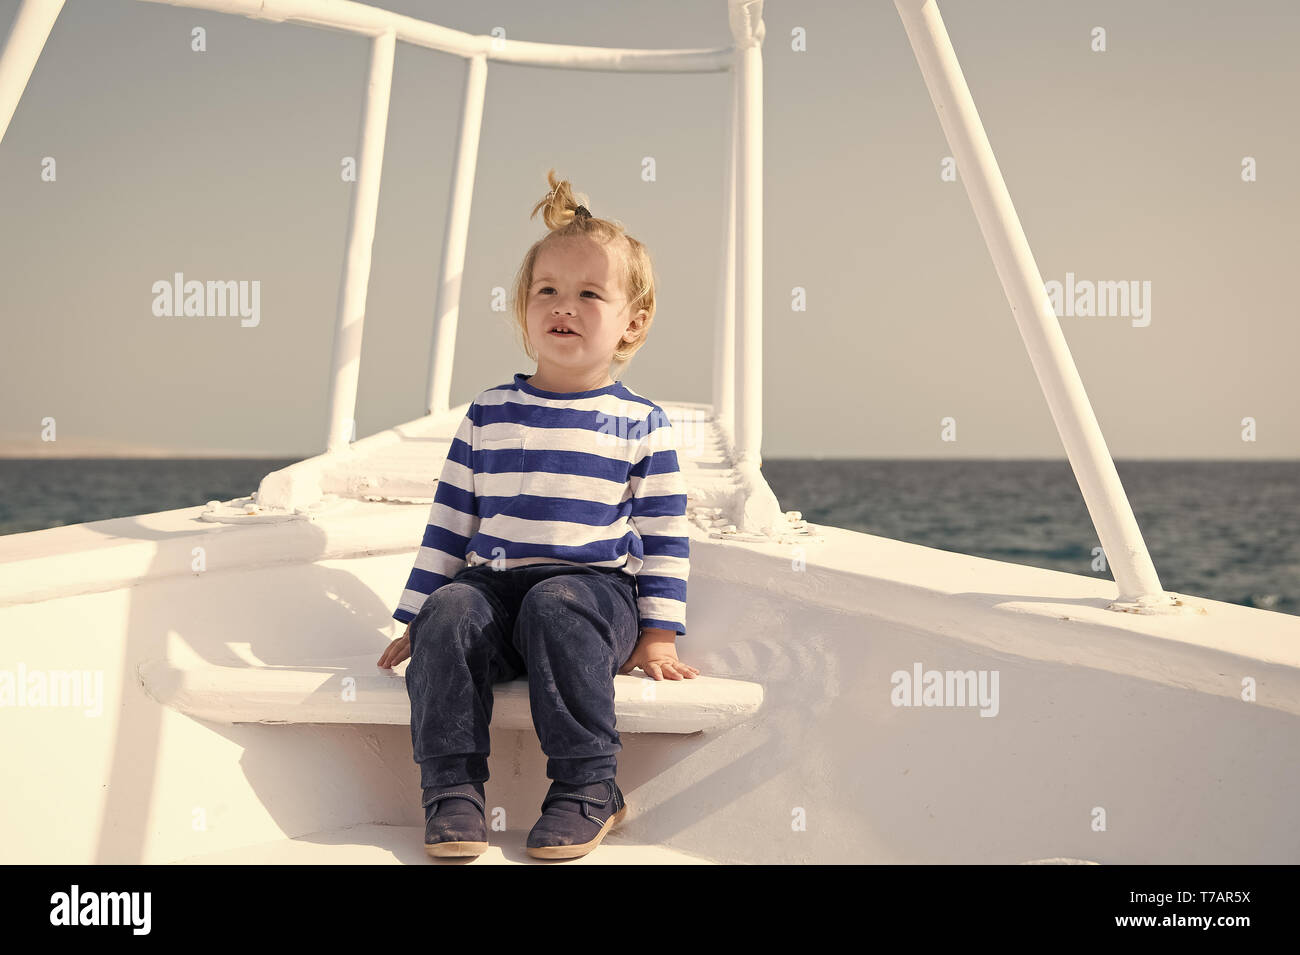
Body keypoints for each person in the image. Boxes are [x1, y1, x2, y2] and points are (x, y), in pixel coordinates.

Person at [376, 168, 696, 861]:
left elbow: (666, 534)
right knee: (454, 608)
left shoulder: (639, 422)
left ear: (631, 321)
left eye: (589, 294)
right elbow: (450, 521)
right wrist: (415, 616)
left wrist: (659, 635)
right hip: (494, 591)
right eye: (547, 291)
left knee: (555, 601)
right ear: (524, 308)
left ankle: (588, 787)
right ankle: (452, 789)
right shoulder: (490, 413)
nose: (564, 306)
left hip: (590, 595)